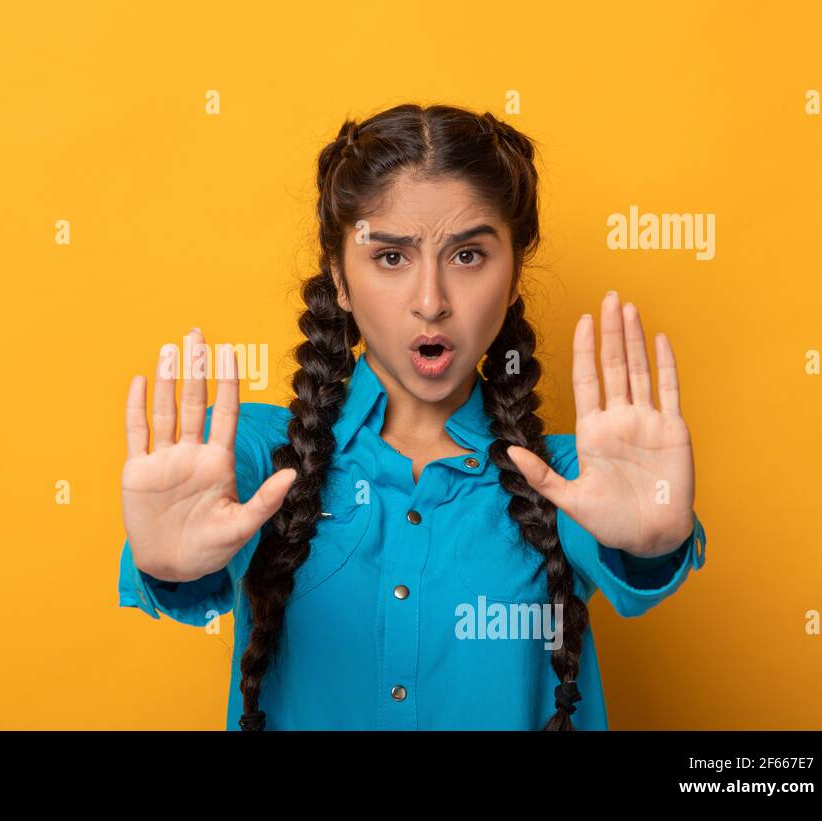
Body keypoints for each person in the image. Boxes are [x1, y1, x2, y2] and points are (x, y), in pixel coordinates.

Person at [117, 103, 707, 730]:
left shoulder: (569, 482)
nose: (431, 302)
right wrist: (173, 568)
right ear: (340, 280)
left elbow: (629, 544)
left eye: (469, 256)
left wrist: (650, 548)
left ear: (513, 281)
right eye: (391, 257)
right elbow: (204, 522)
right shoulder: (265, 457)